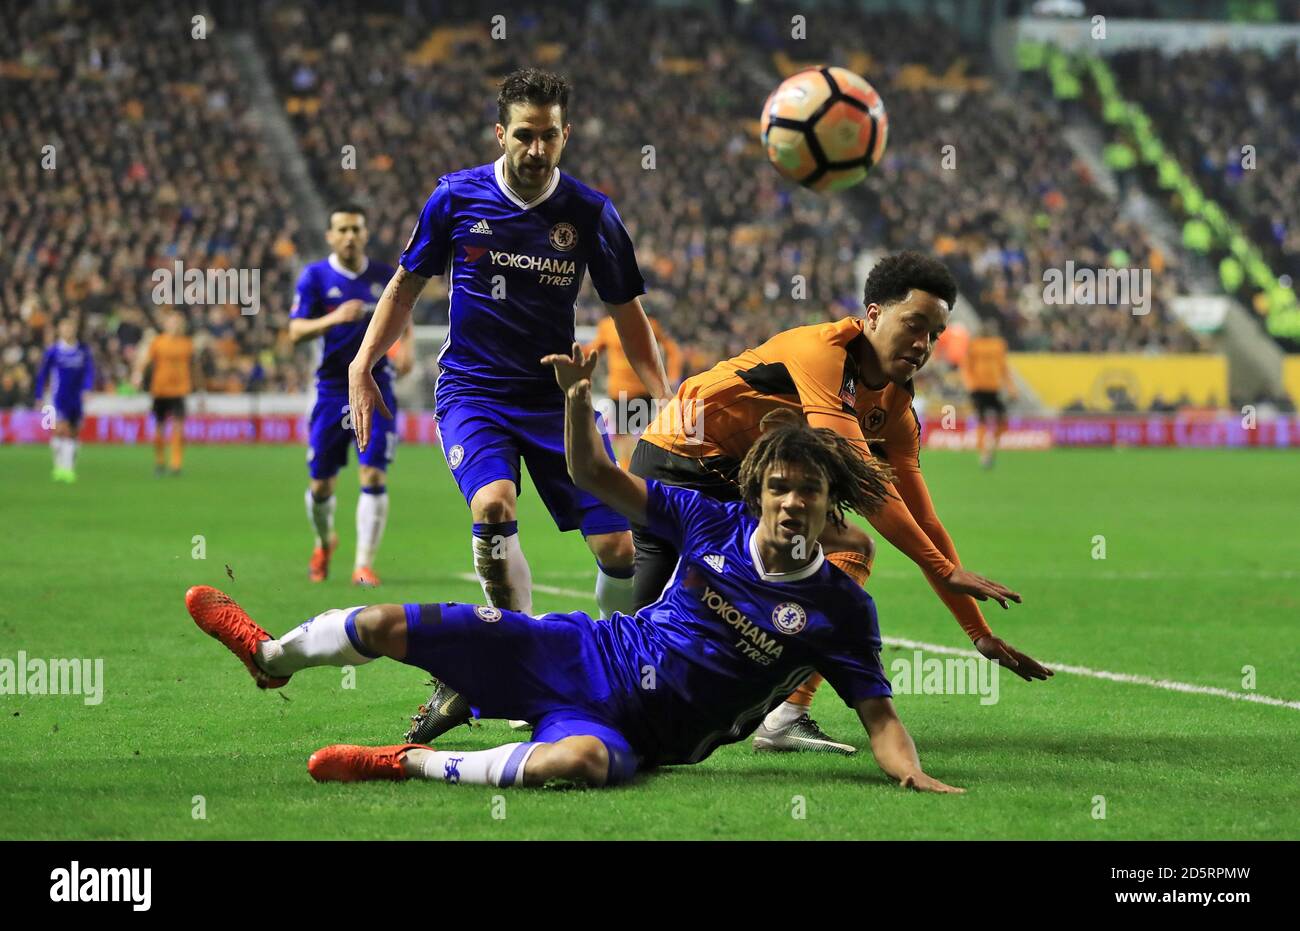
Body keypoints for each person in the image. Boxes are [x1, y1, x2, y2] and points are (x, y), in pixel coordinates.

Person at [184, 344, 962, 794]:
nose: (792, 502)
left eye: (809, 491)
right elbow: (595, 476)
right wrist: (577, 400)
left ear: (830, 506)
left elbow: (879, 715)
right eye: (779, 487)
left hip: (634, 734)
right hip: (572, 649)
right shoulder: (708, 519)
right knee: (387, 622)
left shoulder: (839, 607)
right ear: (757, 489)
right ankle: (270, 655)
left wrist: (910, 773)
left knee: (582, 761)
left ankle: (408, 762)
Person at [347, 68, 670, 735]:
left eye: (548, 135)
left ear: (565, 135)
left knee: (619, 546)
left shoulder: (590, 212)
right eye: (524, 135)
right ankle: (517, 668)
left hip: (557, 399)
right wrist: (363, 362)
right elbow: (405, 286)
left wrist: (665, 395)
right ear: (501, 133)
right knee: (493, 506)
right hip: (474, 391)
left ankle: (616, 674)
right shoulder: (455, 197)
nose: (536, 149)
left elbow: (628, 313)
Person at [631, 252, 1052, 753]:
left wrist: (977, 632)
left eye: (935, 335)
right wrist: (943, 570)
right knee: (648, 650)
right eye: (914, 325)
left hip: (749, 486)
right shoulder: (822, 352)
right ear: (873, 315)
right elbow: (868, 488)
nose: (923, 344)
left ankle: (787, 714)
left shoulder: (895, 408)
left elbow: (923, 518)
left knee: (846, 550)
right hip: (678, 459)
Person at [288, 204, 413, 586]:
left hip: (377, 386)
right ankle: (324, 542)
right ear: (330, 236)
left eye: (356, 229)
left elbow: (403, 316)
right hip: (331, 390)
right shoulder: (315, 277)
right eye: (342, 230)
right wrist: (334, 318)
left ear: (365, 234)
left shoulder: (385, 276)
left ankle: (363, 565)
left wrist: (405, 349)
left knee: (373, 472)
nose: (349, 237)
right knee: (321, 485)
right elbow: (295, 332)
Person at [586, 313, 682, 467]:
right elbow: (592, 351)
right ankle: (631, 471)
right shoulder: (607, 326)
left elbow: (672, 351)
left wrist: (673, 376)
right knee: (626, 436)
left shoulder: (649, 324)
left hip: (644, 390)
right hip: (622, 392)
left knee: (643, 435)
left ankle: (637, 471)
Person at [132, 310, 198, 477]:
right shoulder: (158, 342)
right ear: (166, 324)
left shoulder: (187, 344)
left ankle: (176, 464)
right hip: (160, 390)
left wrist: (200, 388)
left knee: (178, 427)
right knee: (159, 428)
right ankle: (160, 462)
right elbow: (145, 361)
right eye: (172, 322)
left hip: (179, 390)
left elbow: (194, 367)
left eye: (177, 322)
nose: (175, 325)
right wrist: (138, 375)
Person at [34, 316, 94, 483]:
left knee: (74, 432)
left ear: (75, 329)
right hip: (57, 397)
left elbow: (89, 371)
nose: (68, 330)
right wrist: (39, 395)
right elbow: (43, 374)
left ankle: (67, 467)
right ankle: (62, 468)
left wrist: (88, 389)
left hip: (76, 398)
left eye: (70, 327)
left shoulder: (83, 350)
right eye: (65, 327)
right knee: (60, 429)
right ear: (59, 330)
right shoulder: (53, 351)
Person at [961, 317, 1015, 469]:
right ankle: (983, 453)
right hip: (978, 389)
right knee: (982, 420)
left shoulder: (998, 345)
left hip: (994, 388)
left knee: (1003, 420)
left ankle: (991, 447)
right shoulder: (974, 345)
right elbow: (967, 367)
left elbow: (1003, 367)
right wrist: (970, 385)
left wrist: (1011, 388)